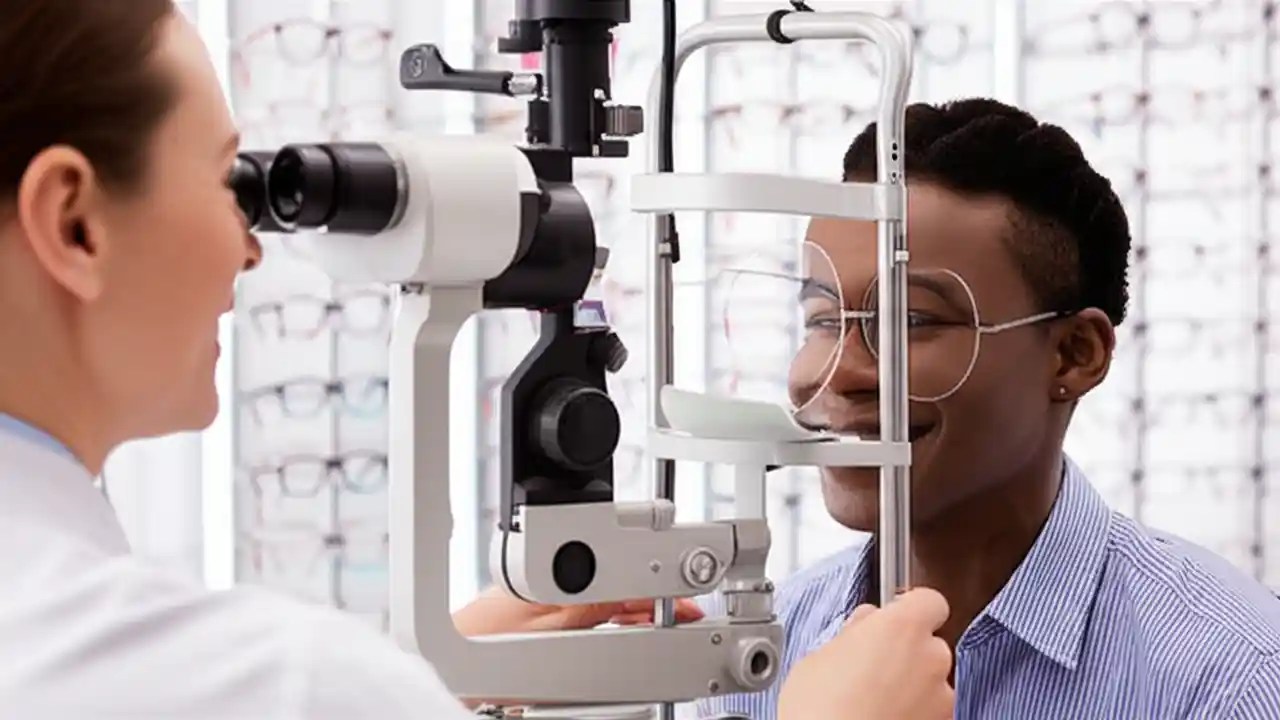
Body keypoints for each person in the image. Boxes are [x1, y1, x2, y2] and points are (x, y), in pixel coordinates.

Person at [0, 2, 954, 718]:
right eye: (224, 182)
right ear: (75, 223)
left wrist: (415, 681)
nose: (249, 248)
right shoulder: (269, 682)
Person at [688, 99, 1280, 718]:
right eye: (822, 319)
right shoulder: (746, 661)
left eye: (911, 320)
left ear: (1074, 355)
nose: (836, 374)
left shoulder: (1237, 681)